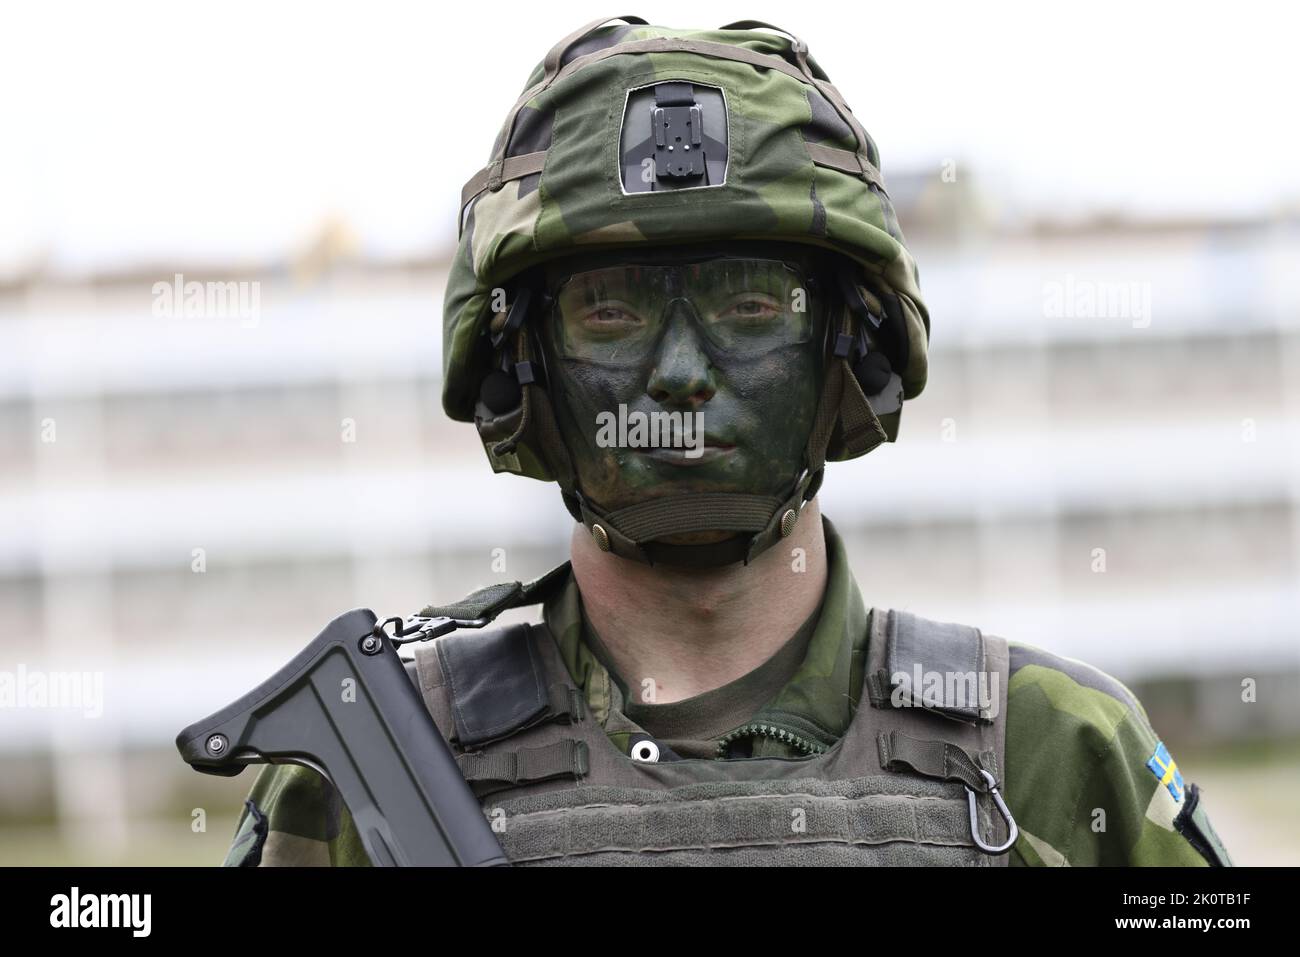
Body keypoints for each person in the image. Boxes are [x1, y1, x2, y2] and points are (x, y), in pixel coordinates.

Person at [222, 17, 1232, 867]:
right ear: (518, 365)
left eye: (750, 303)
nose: (680, 373)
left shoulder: (1057, 750)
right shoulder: (380, 773)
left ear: (849, 347)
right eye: (610, 312)